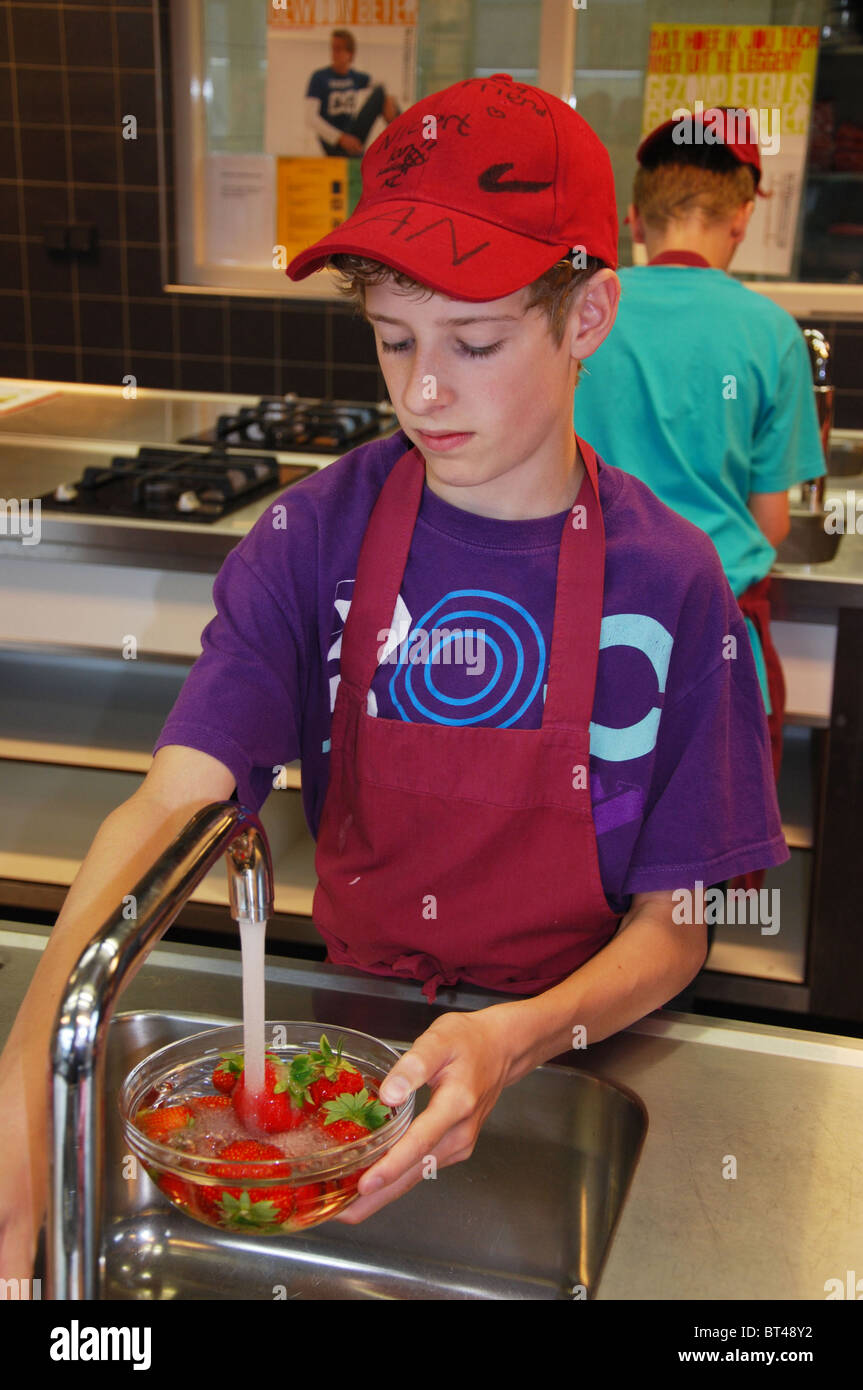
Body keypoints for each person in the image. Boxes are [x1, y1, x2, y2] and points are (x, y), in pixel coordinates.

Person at [0, 75, 789, 1276]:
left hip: (582, 1056)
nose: (423, 391)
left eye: (473, 342)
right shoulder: (309, 536)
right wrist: (26, 1082)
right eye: (393, 339)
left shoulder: (673, 585)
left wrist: (513, 1040)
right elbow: (172, 803)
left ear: (586, 319)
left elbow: (678, 928)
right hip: (353, 1055)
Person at [573, 107, 826, 809]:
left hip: (584, 631)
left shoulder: (585, 311)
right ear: (741, 219)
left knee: (589, 839)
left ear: (633, 218)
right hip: (710, 635)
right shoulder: (770, 333)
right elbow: (770, 523)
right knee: (696, 847)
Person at [305, 29, 400, 158]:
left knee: (382, 93)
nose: (334, 54)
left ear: (350, 53)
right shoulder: (320, 77)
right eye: (333, 49)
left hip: (353, 136)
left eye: (339, 49)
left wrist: (389, 99)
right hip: (333, 141)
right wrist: (340, 138)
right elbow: (311, 118)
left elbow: (383, 84)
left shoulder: (355, 77)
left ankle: (404, 139)